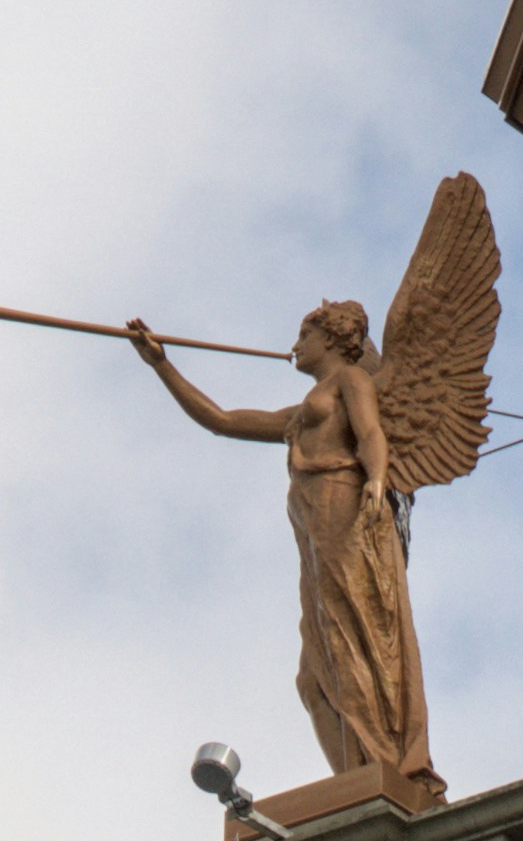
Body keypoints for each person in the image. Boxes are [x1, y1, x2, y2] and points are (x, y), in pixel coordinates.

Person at [132, 297, 438, 788]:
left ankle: (384, 767)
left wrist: (378, 479)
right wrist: (162, 365)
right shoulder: (299, 414)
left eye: (304, 335)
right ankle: (357, 779)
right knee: (314, 678)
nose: (295, 346)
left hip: (345, 517)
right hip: (315, 531)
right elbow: (223, 420)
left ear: (333, 338)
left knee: (354, 642)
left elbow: (372, 434)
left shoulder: (351, 382)